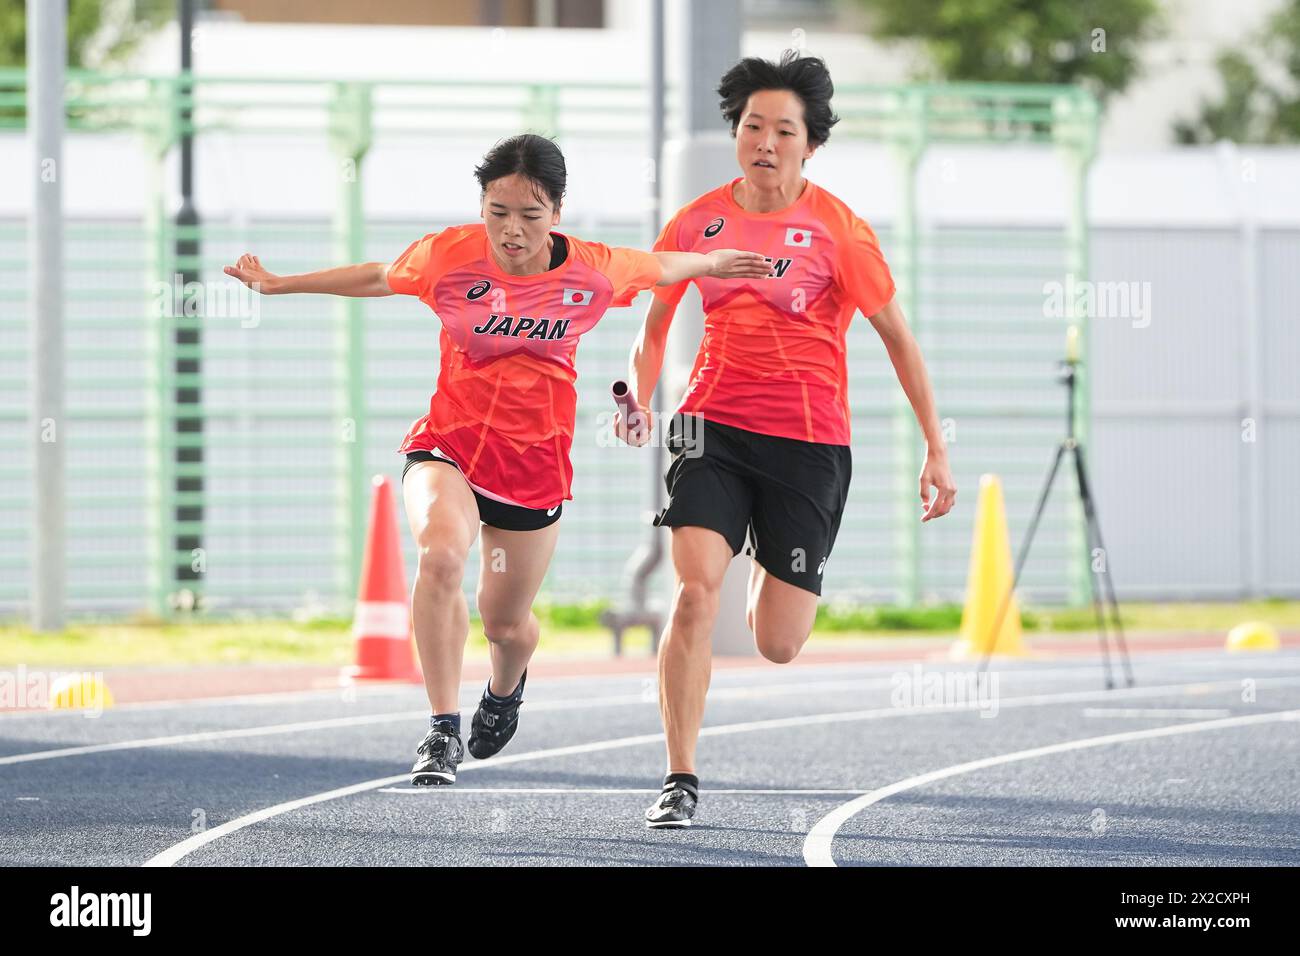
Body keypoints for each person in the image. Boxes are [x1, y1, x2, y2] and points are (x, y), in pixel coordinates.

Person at [225, 133, 770, 785]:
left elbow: (660, 266)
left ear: (557, 214)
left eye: (529, 216)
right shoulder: (448, 257)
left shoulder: (593, 272)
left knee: (505, 623)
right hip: (449, 445)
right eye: (497, 212)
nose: (511, 231)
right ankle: (440, 729)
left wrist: (713, 264)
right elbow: (378, 275)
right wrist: (279, 283)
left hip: (533, 466)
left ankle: (504, 691)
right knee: (440, 556)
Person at [616, 53, 957, 828]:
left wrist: (936, 448)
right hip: (712, 425)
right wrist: (637, 395)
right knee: (696, 592)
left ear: (811, 144)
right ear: (736, 132)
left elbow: (898, 338)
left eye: (782, 130)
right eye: (752, 126)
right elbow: (655, 323)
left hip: (808, 444)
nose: (764, 141)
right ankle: (680, 776)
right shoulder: (698, 221)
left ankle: (778, 561)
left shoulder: (839, 230)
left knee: (777, 642)